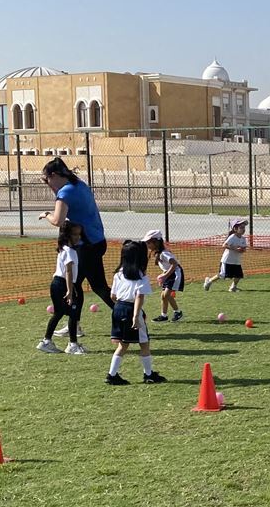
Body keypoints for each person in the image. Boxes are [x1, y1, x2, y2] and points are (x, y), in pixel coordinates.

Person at [38, 158, 111, 307]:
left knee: (80, 285)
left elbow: (58, 220)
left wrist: (46, 214)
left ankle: (129, 315)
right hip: (97, 242)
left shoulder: (65, 193)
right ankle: (75, 323)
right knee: (84, 285)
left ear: (53, 175)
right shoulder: (80, 185)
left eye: (47, 181)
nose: (48, 185)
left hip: (86, 246)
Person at [106, 239, 165, 386]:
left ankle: (112, 375)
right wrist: (135, 317)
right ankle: (148, 375)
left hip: (118, 308)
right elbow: (139, 296)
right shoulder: (141, 276)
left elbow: (112, 296)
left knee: (123, 344)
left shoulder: (118, 274)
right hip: (131, 310)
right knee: (144, 343)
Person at [37, 221, 86, 355]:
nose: (78, 237)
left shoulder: (63, 249)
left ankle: (46, 341)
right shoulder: (69, 251)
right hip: (64, 284)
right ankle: (72, 345)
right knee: (73, 313)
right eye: (75, 234)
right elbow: (69, 272)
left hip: (56, 283)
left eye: (79, 234)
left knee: (58, 313)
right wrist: (70, 291)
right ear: (67, 235)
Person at [143, 230, 183, 322]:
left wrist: (165, 276)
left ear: (156, 242)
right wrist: (164, 274)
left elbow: (174, 264)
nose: (147, 245)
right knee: (164, 296)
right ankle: (169, 314)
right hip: (168, 274)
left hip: (175, 274)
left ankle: (175, 313)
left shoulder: (164, 253)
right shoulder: (157, 253)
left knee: (166, 295)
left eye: (149, 242)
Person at [204, 218, 249, 293]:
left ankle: (233, 287)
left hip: (236, 261)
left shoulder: (243, 239)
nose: (243, 229)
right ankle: (209, 281)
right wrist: (235, 248)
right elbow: (224, 245)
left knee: (238, 275)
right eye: (241, 227)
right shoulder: (232, 237)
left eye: (244, 227)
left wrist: (242, 250)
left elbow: (244, 249)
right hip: (227, 260)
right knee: (222, 275)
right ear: (235, 228)